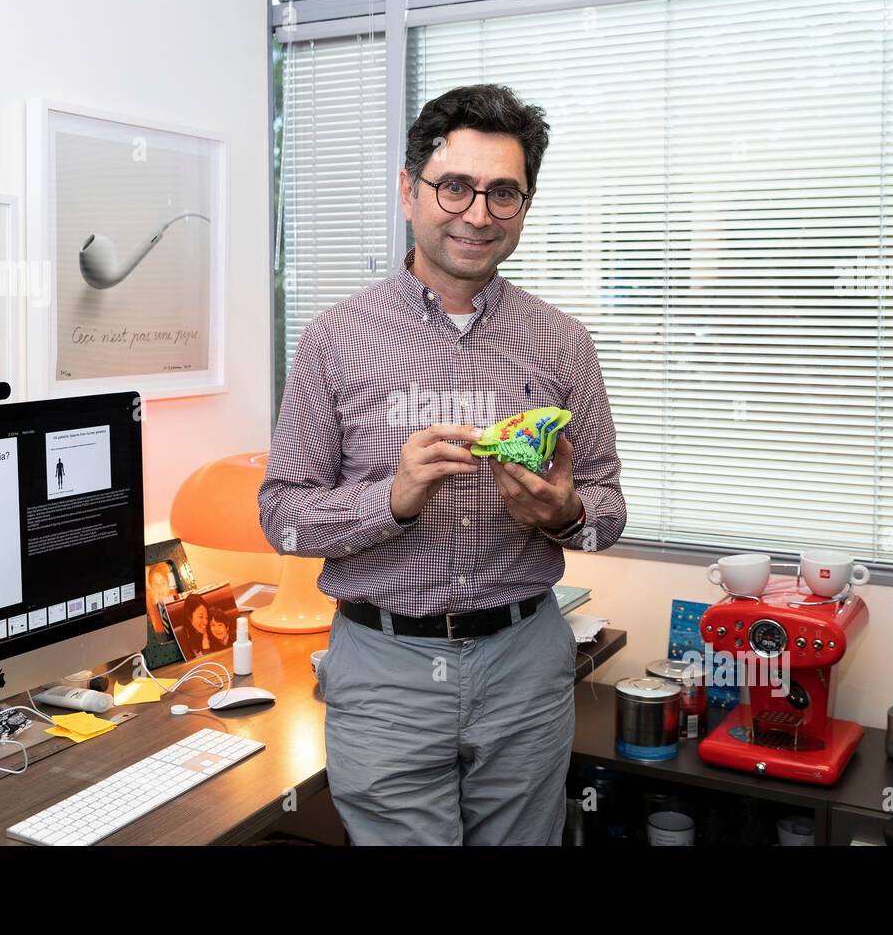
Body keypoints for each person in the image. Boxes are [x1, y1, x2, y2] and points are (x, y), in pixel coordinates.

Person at [259, 84, 626, 845]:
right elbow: (282, 515)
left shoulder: (563, 343)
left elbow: (609, 506)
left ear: (525, 205)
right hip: (383, 669)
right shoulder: (334, 340)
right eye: (455, 186)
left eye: (504, 194)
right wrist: (389, 500)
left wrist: (565, 515)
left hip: (526, 661)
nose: (477, 213)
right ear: (408, 189)